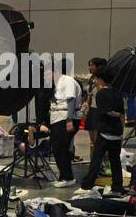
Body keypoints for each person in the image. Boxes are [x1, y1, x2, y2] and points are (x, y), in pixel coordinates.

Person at [78, 66, 126, 195]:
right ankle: (117, 186)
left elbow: (107, 111)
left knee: (97, 159)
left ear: (101, 79)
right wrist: (122, 132)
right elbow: (122, 114)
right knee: (115, 160)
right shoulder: (117, 92)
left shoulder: (101, 94)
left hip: (105, 131)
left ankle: (87, 185)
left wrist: (113, 113)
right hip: (117, 132)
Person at [44, 63, 80, 187]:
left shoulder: (67, 81)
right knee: (56, 147)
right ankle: (63, 176)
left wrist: (69, 120)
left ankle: (68, 177)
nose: (47, 75)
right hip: (56, 118)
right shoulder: (55, 84)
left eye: (49, 72)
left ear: (56, 71)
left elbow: (70, 100)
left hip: (66, 118)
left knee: (61, 147)